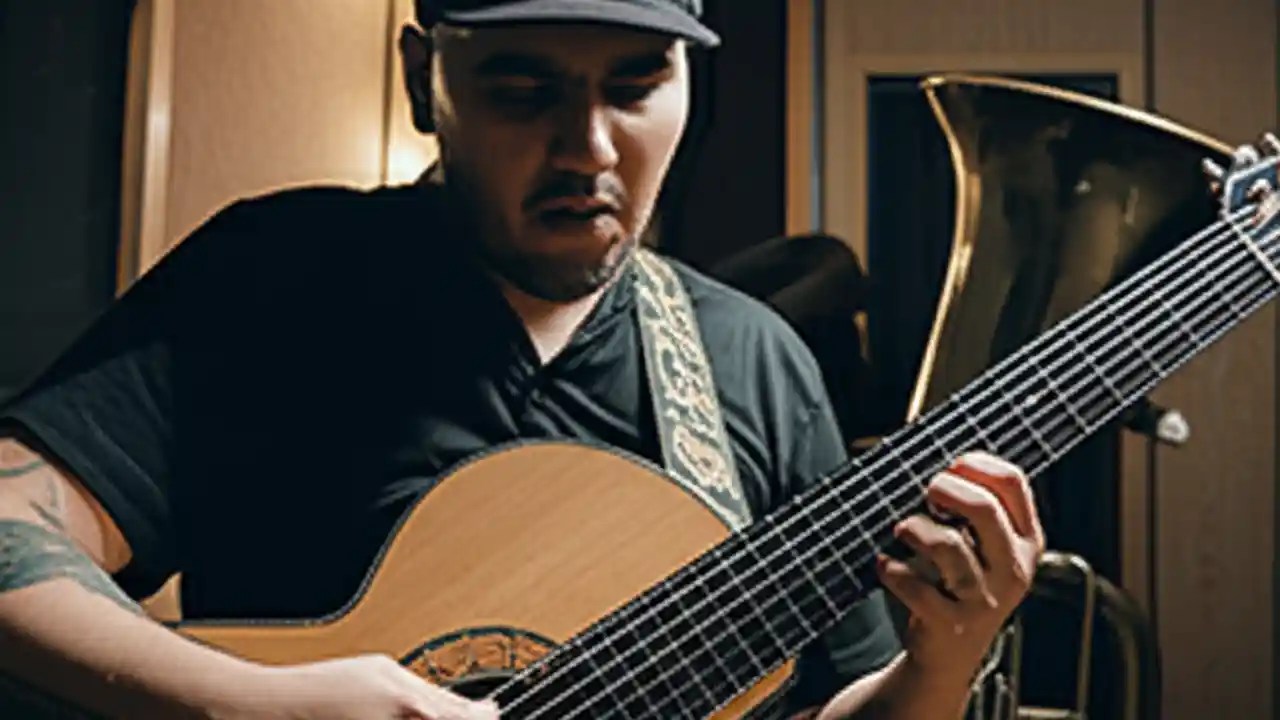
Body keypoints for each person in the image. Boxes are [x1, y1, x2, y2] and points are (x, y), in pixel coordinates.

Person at [0, 0, 1045, 717]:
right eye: (522, 90)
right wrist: (242, 703)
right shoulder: (271, 276)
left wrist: (939, 663)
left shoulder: (755, 361)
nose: (588, 146)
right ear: (423, 80)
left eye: (635, 85)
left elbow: (826, 704)